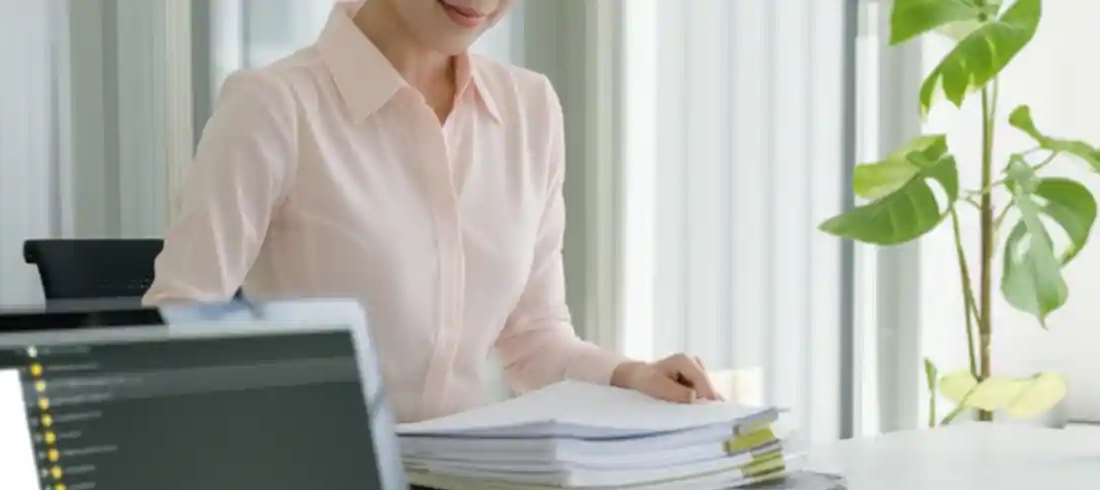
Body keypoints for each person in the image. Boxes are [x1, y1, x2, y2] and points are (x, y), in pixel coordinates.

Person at [145, 0, 721, 422]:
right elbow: (180, 328)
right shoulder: (275, 106)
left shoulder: (529, 110)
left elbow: (536, 338)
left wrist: (632, 376)